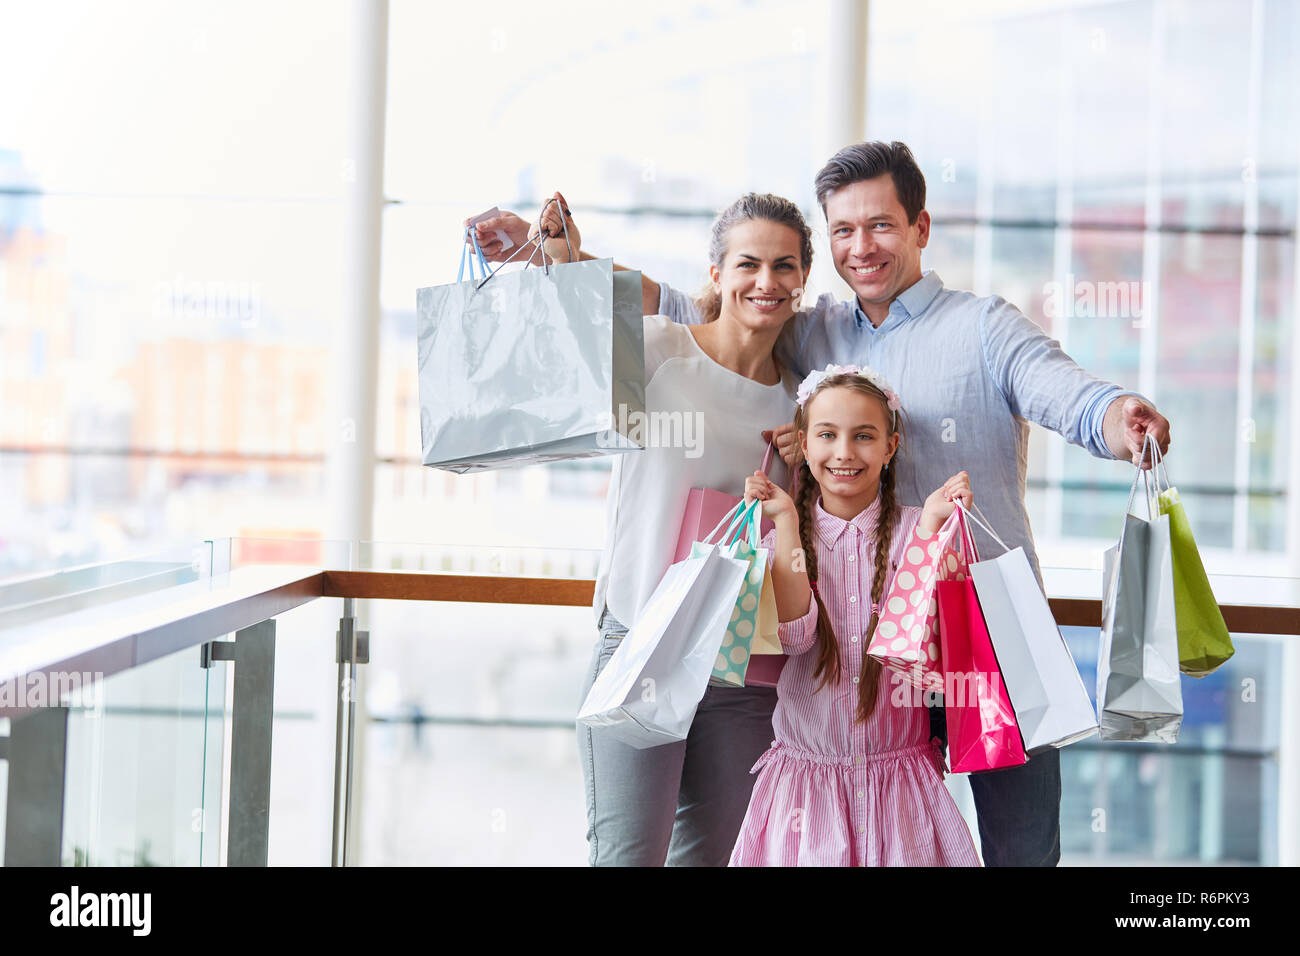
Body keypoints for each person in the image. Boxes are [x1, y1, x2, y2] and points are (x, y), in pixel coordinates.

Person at [475, 141, 1174, 867]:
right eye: (843, 230)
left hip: (978, 639)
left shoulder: (984, 326)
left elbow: (1063, 390)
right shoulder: (816, 332)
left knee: (1020, 851)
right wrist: (558, 262)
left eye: (880, 225)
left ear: (920, 228)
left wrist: (1119, 416)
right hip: (850, 658)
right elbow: (707, 309)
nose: (861, 246)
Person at [500, 192, 813, 865]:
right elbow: (556, 380)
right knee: (628, 855)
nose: (766, 282)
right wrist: (561, 260)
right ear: (717, 273)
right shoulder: (657, 350)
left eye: (784, 266)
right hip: (641, 643)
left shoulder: (803, 405)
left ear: (803, 280)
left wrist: (809, 470)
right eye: (748, 264)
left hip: (741, 671)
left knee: (711, 858)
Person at [734, 365, 979, 866]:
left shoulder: (919, 530)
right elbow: (796, 638)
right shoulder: (782, 537)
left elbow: (924, 651)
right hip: (806, 788)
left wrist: (933, 531)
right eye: (828, 435)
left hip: (902, 787)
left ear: (889, 448)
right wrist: (782, 521)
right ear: (804, 445)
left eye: (864, 436)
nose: (845, 452)